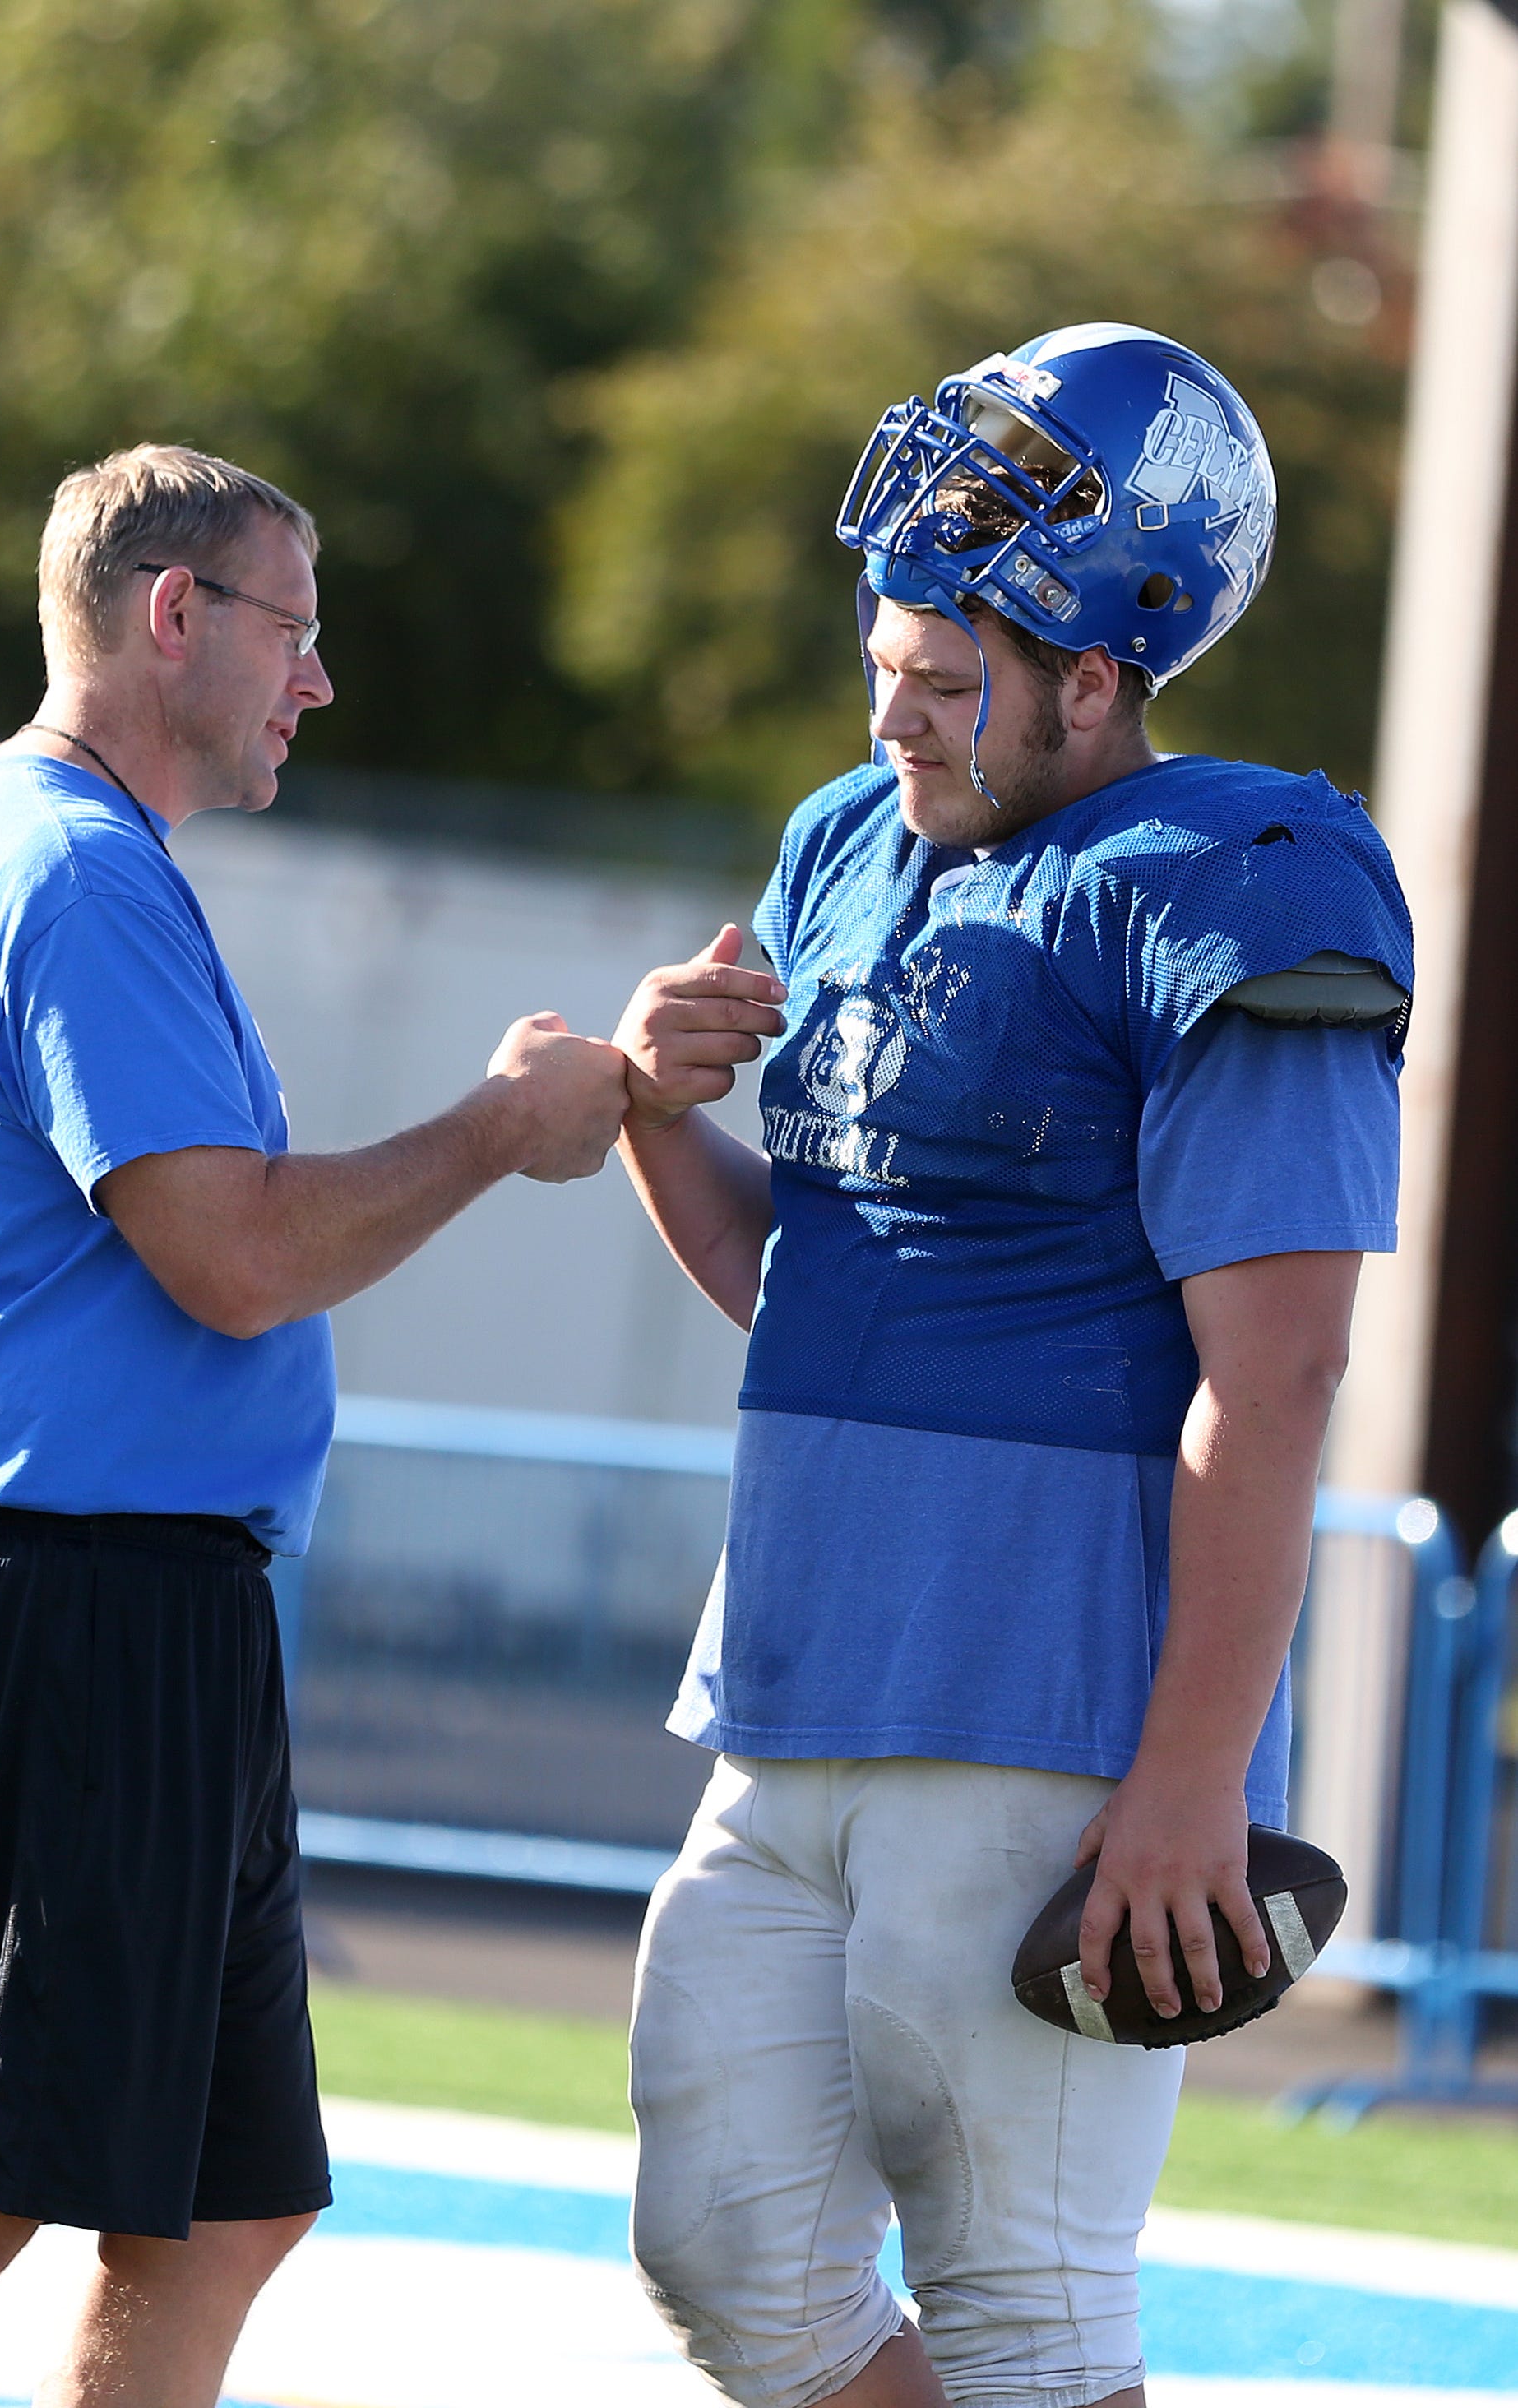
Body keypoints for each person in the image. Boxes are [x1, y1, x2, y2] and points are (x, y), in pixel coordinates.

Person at [610, 325, 1410, 2408]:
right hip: (790, 1690)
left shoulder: (1232, 881)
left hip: (1049, 1716)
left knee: (1028, 2307)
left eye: (944, 675)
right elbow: (812, 1294)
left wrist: (1189, 1788)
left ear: (1101, 670)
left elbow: (1286, 1374)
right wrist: (641, 1107)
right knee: (729, 2253)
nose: (892, 716)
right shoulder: (843, 845)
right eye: (882, 661)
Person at [0, 443, 630, 2408]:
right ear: (174, 612)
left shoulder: (36, 844)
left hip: (124, 1606)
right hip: (74, 1601)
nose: (316, 683)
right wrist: (503, 1129)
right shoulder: (72, 863)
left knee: (228, 2199)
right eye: (295, 630)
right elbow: (232, 1257)